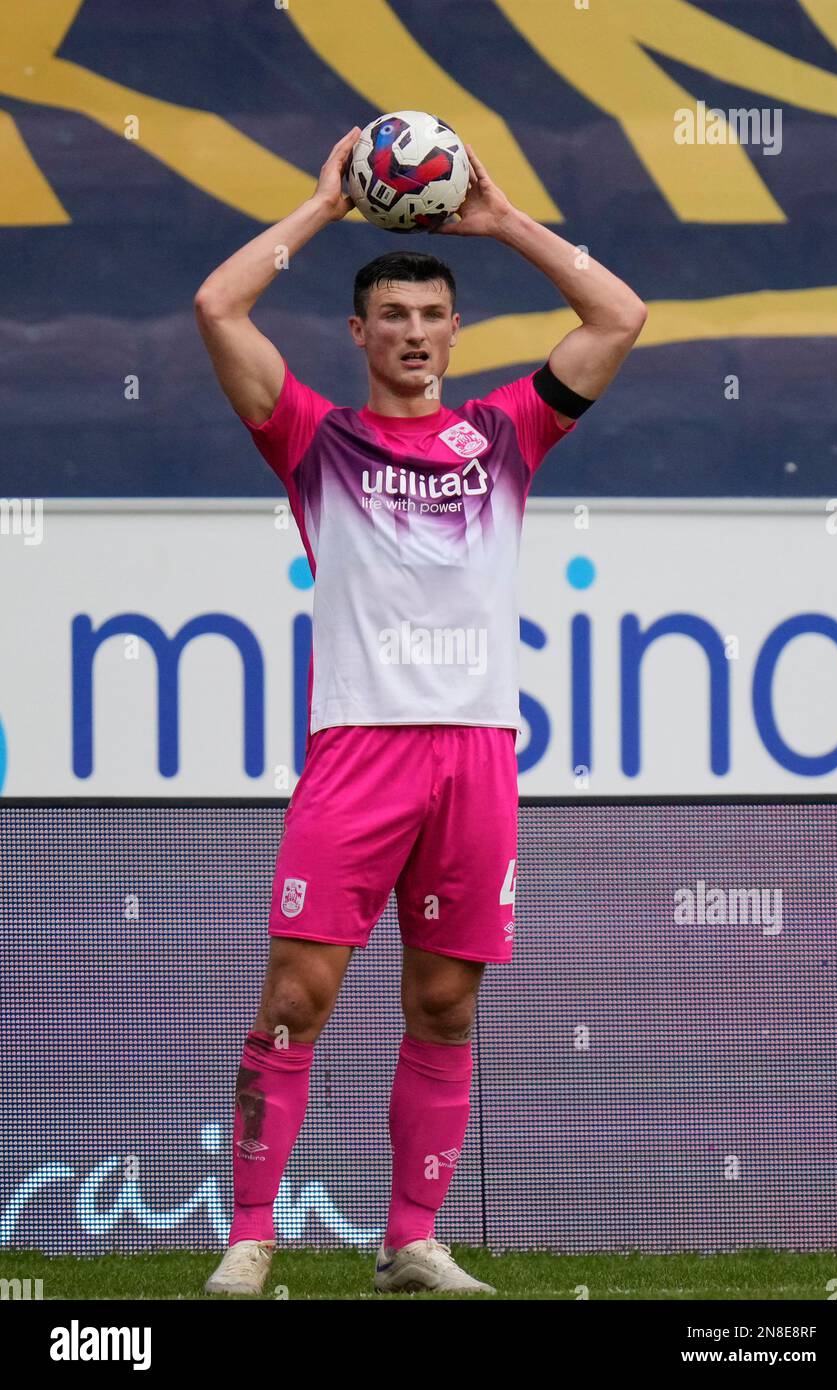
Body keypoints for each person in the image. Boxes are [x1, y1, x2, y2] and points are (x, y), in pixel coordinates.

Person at [194, 128, 646, 1296]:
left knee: (443, 1001)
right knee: (295, 1000)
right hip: (356, 751)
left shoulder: (505, 434)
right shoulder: (314, 441)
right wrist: (321, 206)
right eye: (388, 314)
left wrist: (498, 218)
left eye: (427, 314)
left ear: (451, 330)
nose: (408, 330)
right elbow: (217, 307)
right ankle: (250, 1238)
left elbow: (617, 318)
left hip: (475, 754)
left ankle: (410, 1242)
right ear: (359, 333)